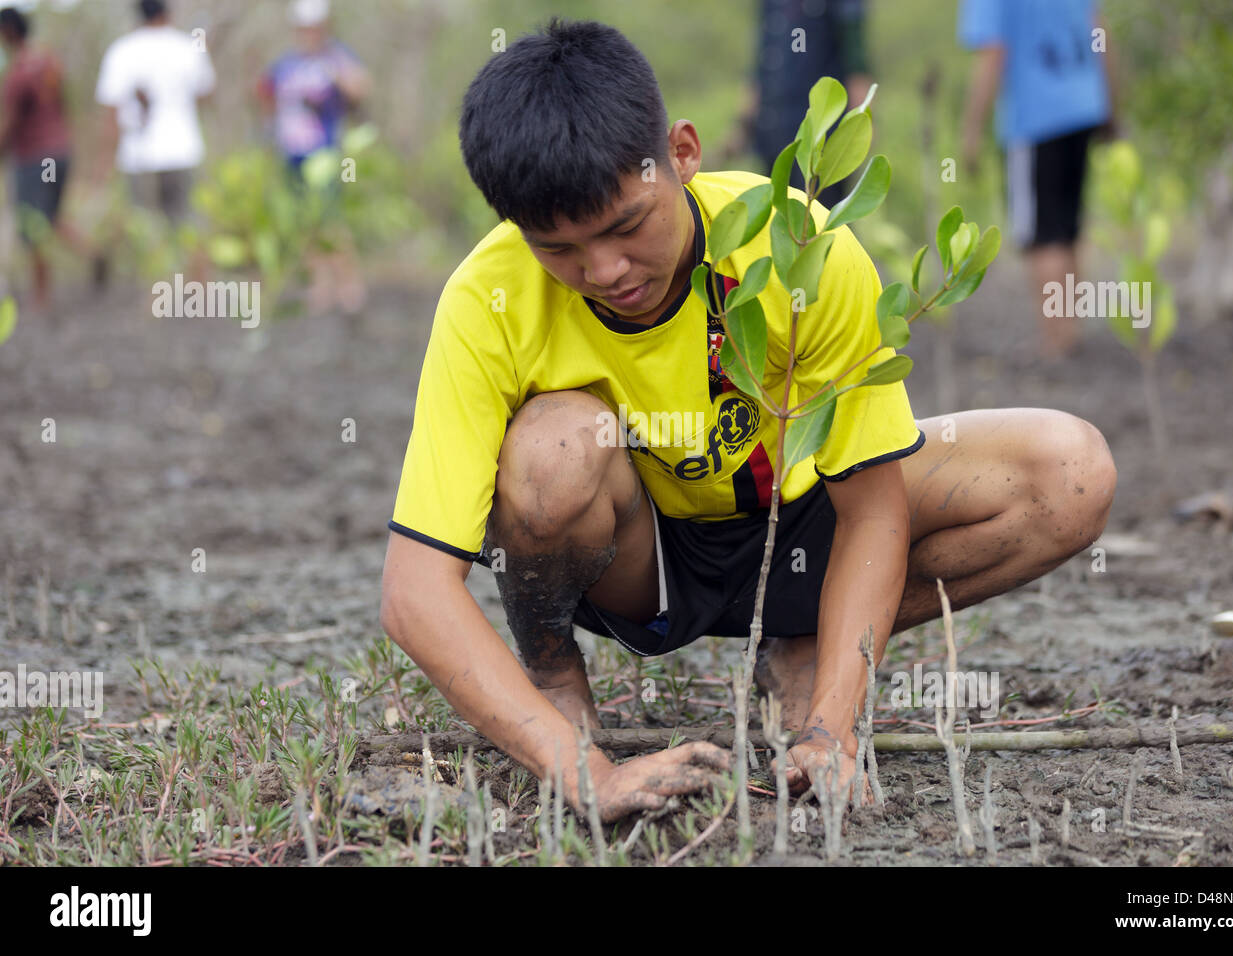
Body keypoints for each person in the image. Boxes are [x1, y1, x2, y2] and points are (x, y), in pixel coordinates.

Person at [380, 19, 1117, 821]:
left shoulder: (799, 247)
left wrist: (832, 728)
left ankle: (806, 647)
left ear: (683, 153)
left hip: (801, 522)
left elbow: (872, 511)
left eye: (627, 226)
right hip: (642, 557)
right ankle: (554, 675)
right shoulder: (484, 300)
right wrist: (586, 771)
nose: (605, 272)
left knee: (1069, 470)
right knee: (551, 449)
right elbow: (415, 591)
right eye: (560, 249)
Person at [959, 0, 1117, 360]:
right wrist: (1110, 104)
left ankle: (1055, 343)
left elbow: (993, 54)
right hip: (1084, 105)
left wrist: (971, 131)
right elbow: (1100, 32)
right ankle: (1070, 333)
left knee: (1042, 237)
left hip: (1034, 119)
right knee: (1067, 229)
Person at [255, 0, 370, 314]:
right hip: (292, 156)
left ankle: (350, 291)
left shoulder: (337, 57)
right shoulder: (286, 64)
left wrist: (335, 71)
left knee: (331, 223)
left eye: (315, 28)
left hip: (325, 157)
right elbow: (266, 94)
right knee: (305, 226)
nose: (309, 34)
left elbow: (360, 90)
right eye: (304, 28)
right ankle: (319, 292)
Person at [729, 0, 874, 208]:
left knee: (820, 220)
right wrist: (743, 124)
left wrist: (864, 124)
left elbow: (856, 60)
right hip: (773, 130)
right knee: (775, 216)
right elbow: (762, 59)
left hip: (820, 138)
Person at [0, 6, 91, 312]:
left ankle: (41, 296)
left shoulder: (19, 72)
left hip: (36, 159)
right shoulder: (50, 62)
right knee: (49, 218)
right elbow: (63, 105)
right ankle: (94, 253)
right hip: (58, 155)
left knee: (34, 224)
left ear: (9, 32)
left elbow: (8, 124)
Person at [94, 0, 215, 226]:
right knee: (185, 227)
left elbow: (111, 111)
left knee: (145, 231)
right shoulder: (189, 47)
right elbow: (206, 94)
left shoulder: (122, 50)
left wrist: (104, 164)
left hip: (138, 155)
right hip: (183, 151)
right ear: (167, 12)